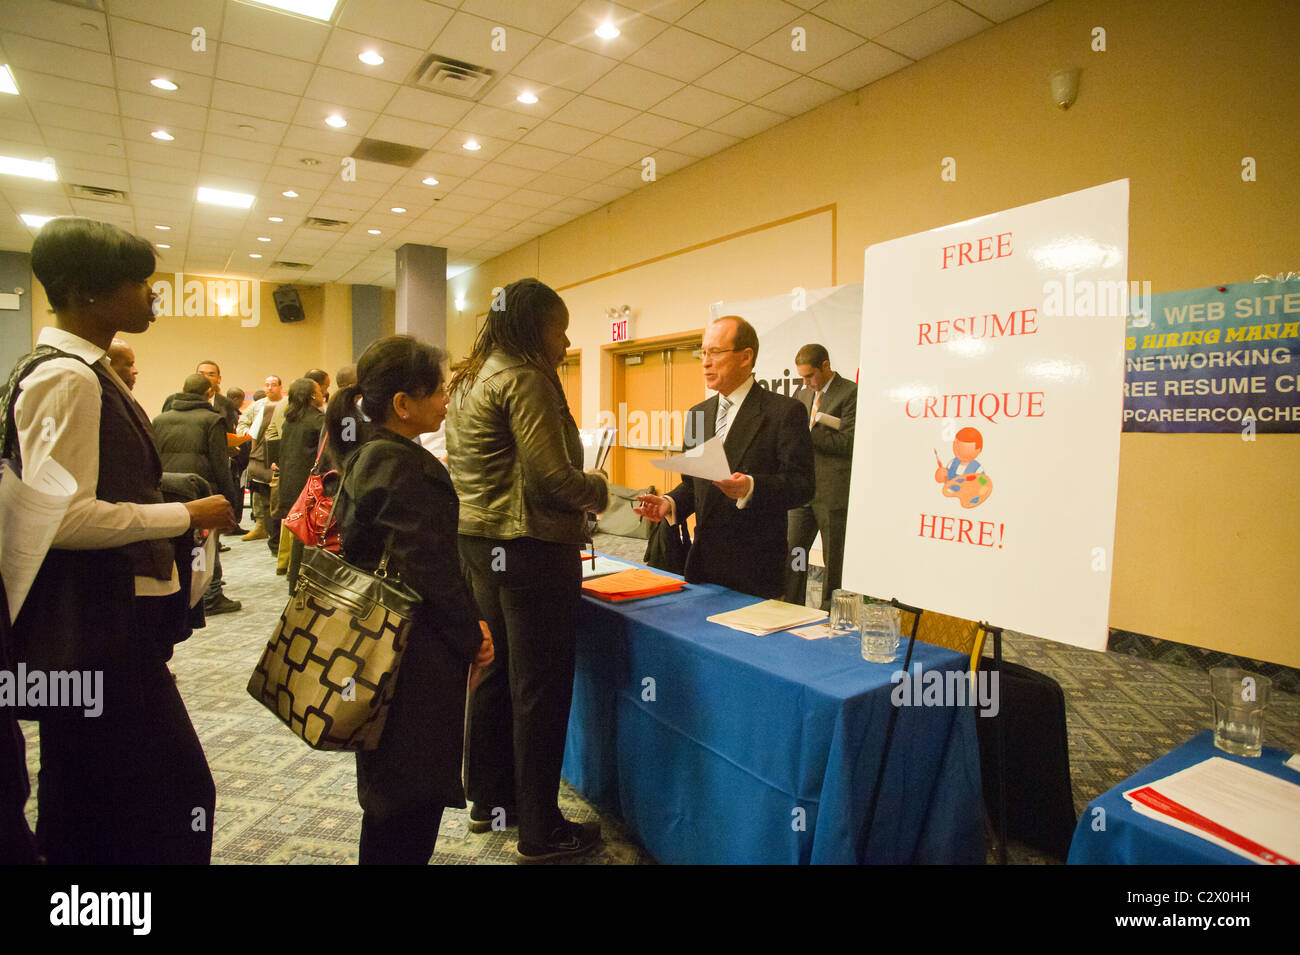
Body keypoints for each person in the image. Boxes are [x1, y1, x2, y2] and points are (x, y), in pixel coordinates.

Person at [0, 216, 236, 863]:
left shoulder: (78, 371)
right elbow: (65, 517)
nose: (152, 294)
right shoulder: (68, 377)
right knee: (175, 798)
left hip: (105, 631)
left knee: (89, 801)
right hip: (97, 634)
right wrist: (184, 513)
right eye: (138, 281)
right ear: (87, 290)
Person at [447, 277, 608, 863]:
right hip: (532, 547)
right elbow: (554, 480)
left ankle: (492, 802)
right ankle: (541, 831)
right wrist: (601, 489)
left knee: (494, 673)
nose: (565, 342)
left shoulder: (471, 375)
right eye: (560, 330)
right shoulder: (527, 377)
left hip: (480, 544)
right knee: (539, 689)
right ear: (534, 325)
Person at [326, 335, 493, 865]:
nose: (446, 400)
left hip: (381, 648)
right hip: (408, 656)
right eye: (438, 390)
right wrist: (473, 635)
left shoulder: (372, 454)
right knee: (408, 794)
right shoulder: (402, 466)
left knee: (391, 792)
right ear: (403, 403)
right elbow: (429, 569)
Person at [634, 315, 814, 599]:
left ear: (745, 357)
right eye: (703, 352)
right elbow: (693, 485)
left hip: (755, 570)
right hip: (703, 564)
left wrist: (751, 487)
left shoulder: (784, 412)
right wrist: (668, 503)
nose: (705, 361)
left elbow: (802, 485)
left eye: (715, 352)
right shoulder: (697, 414)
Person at [152, 372, 244, 614]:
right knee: (203, 544)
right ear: (209, 393)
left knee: (178, 545)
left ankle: (182, 592)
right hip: (202, 490)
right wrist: (230, 499)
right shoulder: (212, 420)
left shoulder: (159, 420)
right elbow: (219, 463)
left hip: (169, 490)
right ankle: (210, 595)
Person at [783, 344, 858, 609]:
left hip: (832, 493)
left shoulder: (850, 392)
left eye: (810, 376)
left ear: (825, 366)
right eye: (802, 377)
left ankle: (829, 613)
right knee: (797, 552)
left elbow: (849, 442)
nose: (805, 382)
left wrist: (810, 433)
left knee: (832, 559)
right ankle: (791, 604)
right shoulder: (803, 395)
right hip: (802, 492)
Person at [270, 376, 325, 589]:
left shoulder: (290, 420)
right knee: (308, 535)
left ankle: (294, 577)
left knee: (300, 534)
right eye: (319, 390)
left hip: (290, 483)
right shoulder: (318, 421)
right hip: (308, 484)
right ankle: (299, 580)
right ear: (313, 395)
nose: (322, 394)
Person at [236, 375, 283, 540]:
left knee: (275, 495)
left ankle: (274, 531)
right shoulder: (257, 406)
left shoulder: (286, 405)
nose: (270, 388)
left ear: (280, 387)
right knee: (259, 493)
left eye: (273, 385)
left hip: (278, 455)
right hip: (260, 456)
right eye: (267, 385)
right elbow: (245, 426)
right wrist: (250, 446)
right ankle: (261, 526)